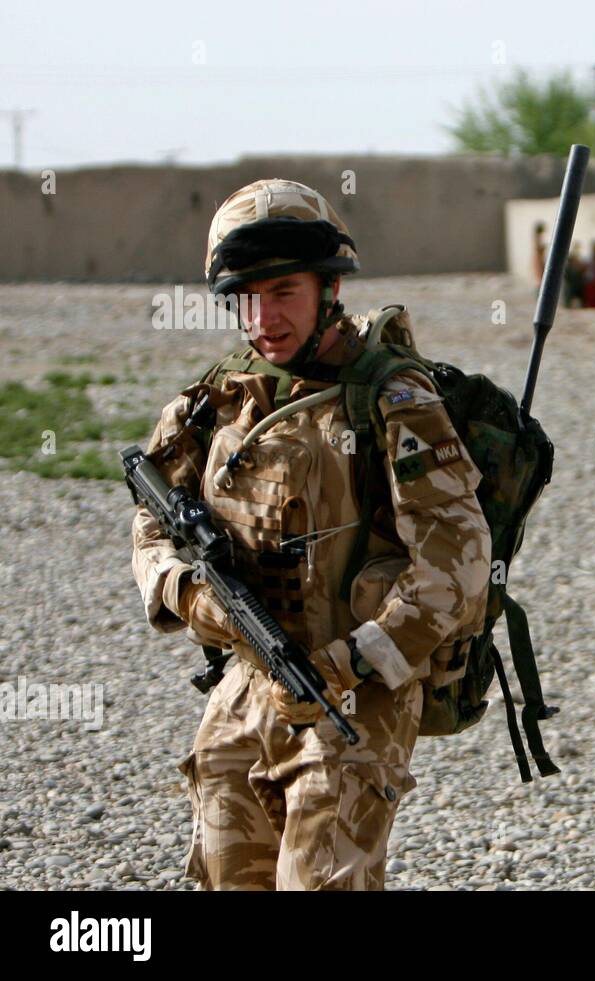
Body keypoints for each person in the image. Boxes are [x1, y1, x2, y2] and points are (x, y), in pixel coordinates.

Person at [129, 178, 491, 888]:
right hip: (244, 688)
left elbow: (459, 571)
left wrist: (349, 661)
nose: (264, 316)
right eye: (246, 297)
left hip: (353, 695)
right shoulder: (215, 400)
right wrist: (184, 592)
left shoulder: (393, 400)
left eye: (284, 290)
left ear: (330, 287)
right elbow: (150, 515)